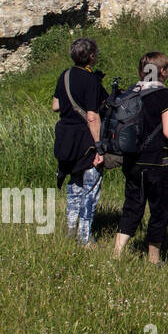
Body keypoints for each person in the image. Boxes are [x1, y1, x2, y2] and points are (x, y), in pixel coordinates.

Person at [112, 52, 168, 265]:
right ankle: (154, 258)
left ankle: (117, 252)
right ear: (162, 72)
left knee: (132, 205)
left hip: (132, 160)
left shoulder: (131, 92)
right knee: (158, 209)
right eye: (167, 67)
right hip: (157, 161)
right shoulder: (164, 96)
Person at [51, 37, 107, 245]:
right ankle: (85, 237)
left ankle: (70, 228)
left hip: (65, 137)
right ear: (91, 56)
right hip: (85, 140)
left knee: (74, 183)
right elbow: (92, 117)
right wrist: (100, 147)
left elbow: (55, 105)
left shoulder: (64, 75)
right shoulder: (91, 80)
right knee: (91, 185)